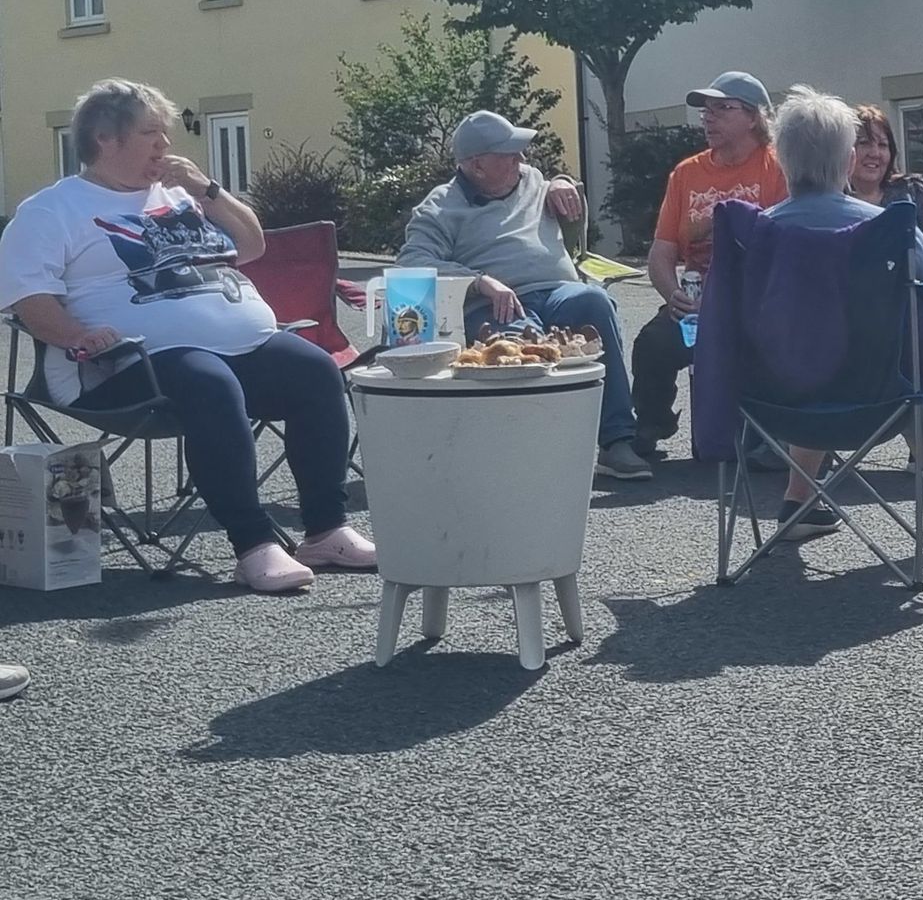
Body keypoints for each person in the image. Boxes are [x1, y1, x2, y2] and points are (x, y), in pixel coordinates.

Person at [0, 80, 372, 592]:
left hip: (237, 347)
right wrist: (77, 335)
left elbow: (252, 246)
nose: (165, 145)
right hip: (122, 366)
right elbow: (29, 297)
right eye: (150, 133)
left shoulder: (179, 194)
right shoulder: (51, 210)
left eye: (166, 133)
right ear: (105, 138)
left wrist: (208, 190)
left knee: (315, 369)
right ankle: (253, 544)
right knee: (209, 381)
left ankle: (326, 531)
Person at [760, 89, 923, 550]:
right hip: (882, 398)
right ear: (848, 160)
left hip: (774, 402)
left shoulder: (754, 230)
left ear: (781, 161)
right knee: (919, 373)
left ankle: (797, 500)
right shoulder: (888, 226)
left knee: (814, 357)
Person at [398, 110, 644, 479]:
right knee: (517, 345)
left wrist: (562, 182)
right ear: (476, 165)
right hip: (495, 304)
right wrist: (479, 281)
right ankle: (530, 455)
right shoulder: (441, 206)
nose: (521, 158)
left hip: (556, 292)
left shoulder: (532, 180)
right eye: (509, 152)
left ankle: (616, 439)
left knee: (593, 302)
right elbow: (412, 261)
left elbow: (558, 185)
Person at [632, 72, 788, 458]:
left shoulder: (778, 167)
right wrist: (672, 294)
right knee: (652, 344)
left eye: (722, 108)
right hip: (696, 302)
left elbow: (786, 249)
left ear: (753, 117)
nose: (708, 118)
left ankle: (775, 435)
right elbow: (662, 252)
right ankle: (651, 427)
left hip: (757, 301)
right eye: (705, 110)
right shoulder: (687, 173)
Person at [850, 104, 923, 445]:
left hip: (915, 311)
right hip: (852, 321)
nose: (874, 153)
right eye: (864, 143)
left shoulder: (914, 192)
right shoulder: (831, 199)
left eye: (882, 144)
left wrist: (909, 292)